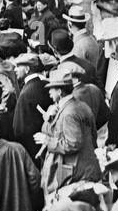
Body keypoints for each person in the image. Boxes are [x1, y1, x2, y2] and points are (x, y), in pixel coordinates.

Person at [37, 67, 101, 196]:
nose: (49, 92)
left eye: (51, 89)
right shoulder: (80, 105)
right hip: (87, 166)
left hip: (76, 172)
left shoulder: (68, 113)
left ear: (60, 91)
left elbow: (73, 143)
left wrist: (47, 141)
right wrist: (50, 119)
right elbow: (93, 135)